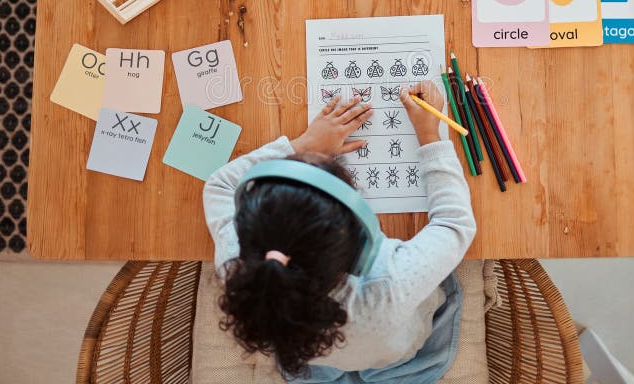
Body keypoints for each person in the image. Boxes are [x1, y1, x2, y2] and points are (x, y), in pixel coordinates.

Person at [203, 80, 476, 383]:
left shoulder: (242, 270)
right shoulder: (391, 280)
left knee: (314, 367)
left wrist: (303, 146)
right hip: (393, 351)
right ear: (360, 238)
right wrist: (429, 136)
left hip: (310, 355)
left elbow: (219, 184)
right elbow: (455, 224)